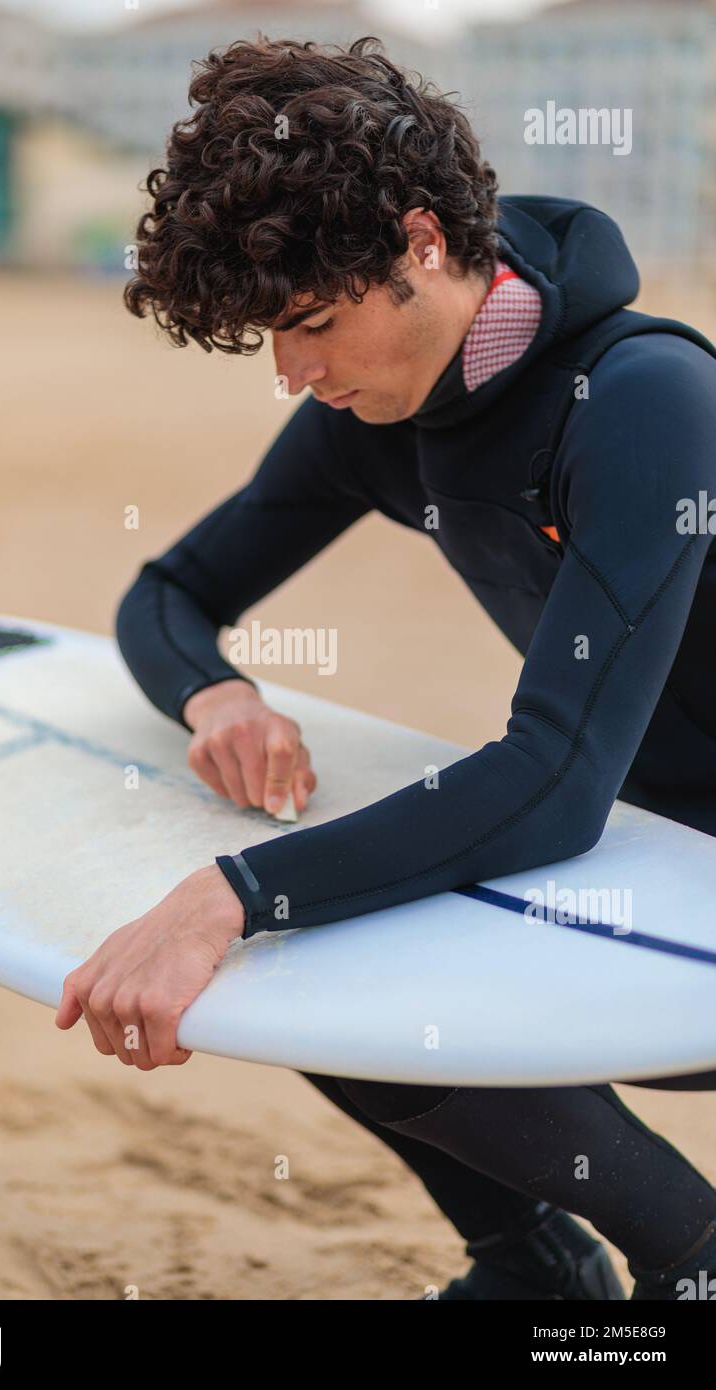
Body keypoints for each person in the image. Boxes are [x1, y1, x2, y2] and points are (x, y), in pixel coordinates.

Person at [56, 36, 716, 1301]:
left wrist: (228, 892)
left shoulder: (645, 399)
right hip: (646, 857)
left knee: (287, 906)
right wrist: (217, 692)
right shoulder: (379, 413)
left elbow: (556, 780)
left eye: (309, 325)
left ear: (421, 241)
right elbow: (169, 594)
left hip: (667, 888)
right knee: (313, 933)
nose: (291, 375)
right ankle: (527, 1264)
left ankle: (691, 1256)